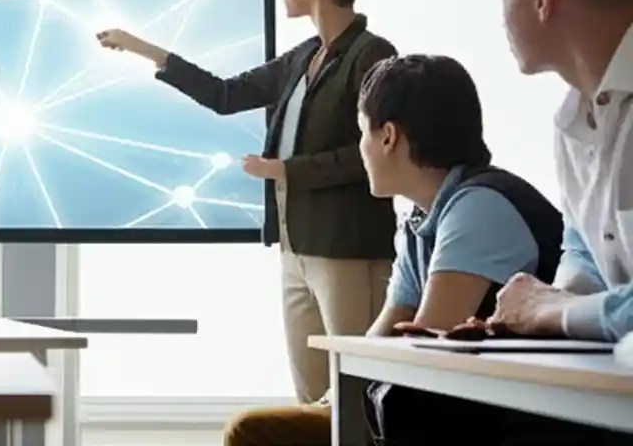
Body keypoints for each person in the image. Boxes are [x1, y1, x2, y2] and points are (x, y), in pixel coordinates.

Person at [97, 0, 397, 404]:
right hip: (295, 247)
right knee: (310, 394)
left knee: (356, 391)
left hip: (347, 247)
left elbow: (378, 152)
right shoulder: (302, 58)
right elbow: (224, 94)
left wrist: (286, 171)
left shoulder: (373, 55)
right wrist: (145, 49)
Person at [223, 54, 564, 446]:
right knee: (253, 431)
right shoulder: (419, 222)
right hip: (440, 410)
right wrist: (334, 400)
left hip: (499, 421)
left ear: (388, 136)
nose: (361, 149)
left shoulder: (481, 206)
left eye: (362, 133)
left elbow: (425, 351)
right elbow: (380, 342)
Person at [485, 0, 633, 342]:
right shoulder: (571, 124)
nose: (500, 14)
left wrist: (557, 312)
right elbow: (586, 253)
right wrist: (541, 307)